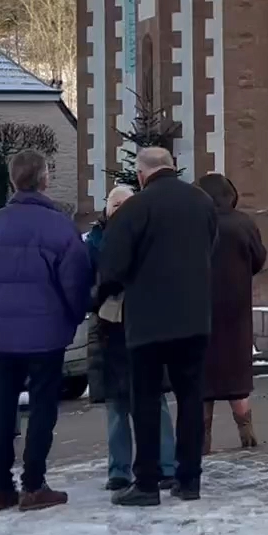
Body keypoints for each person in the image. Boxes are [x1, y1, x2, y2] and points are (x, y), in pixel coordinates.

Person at [0, 149, 91, 513]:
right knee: (41, 408)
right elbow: (75, 283)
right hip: (47, 332)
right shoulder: (60, 227)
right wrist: (72, 317)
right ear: (44, 180)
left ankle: (1, 487)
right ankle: (33, 484)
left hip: (2, 334)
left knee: (2, 408)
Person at [97, 147, 219, 507]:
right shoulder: (202, 202)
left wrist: (101, 298)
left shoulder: (135, 208)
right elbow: (209, 248)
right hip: (195, 318)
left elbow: (113, 267)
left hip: (148, 321)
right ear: (173, 168)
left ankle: (147, 483)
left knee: (146, 400)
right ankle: (189, 479)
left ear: (140, 175)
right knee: (190, 398)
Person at [89, 185, 177, 495]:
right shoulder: (97, 241)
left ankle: (166, 464)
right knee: (116, 403)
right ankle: (119, 470)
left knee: (155, 400)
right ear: (107, 210)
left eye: (127, 205)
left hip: (146, 324)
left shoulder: (151, 238)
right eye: (115, 206)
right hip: (109, 328)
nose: (121, 211)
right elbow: (91, 279)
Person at [198, 173, 267, 454]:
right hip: (236, 310)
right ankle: (247, 435)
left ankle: (203, 441)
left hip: (200, 309)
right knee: (237, 379)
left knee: (203, 381)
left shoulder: (195, 224)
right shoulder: (243, 223)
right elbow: (259, 258)